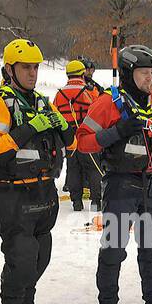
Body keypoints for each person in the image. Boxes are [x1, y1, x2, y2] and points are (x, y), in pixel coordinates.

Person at [76, 44, 152, 304]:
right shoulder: (108, 103)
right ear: (128, 74)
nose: (150, 79)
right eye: (143, 73)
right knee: (113, 248)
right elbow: (83, 140)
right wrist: (118, 130)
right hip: (122, 184)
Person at [0, 38, 74, 304]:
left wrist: (63, 127)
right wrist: (28, 128)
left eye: (35, 67)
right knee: (20, 259)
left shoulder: (42, 102)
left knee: (39, 256)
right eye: (25, 68)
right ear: (10, 70)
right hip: (13, 193)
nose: (32, 73)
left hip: (43, 191)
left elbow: (69, 144)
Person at [54, 59, 101, 212]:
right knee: (93, 169)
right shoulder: (88, 92)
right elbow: (97, 113)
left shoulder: (59, 94)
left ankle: (76, 202)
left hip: (69, 139)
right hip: (88, 137)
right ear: (82, 74)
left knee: (73, 169)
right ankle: (95, 202)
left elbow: (55, 115)